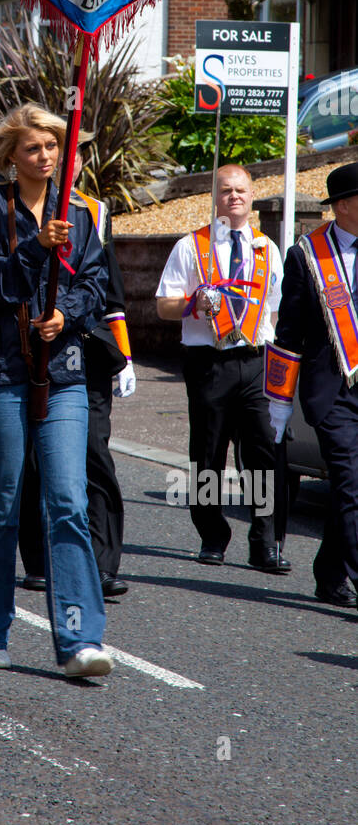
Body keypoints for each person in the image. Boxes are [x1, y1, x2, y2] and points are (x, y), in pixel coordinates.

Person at [0, 104, 113, 679]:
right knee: (3, 501)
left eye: (52, 147)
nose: (45, 156)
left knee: (67, 499)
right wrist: (35, 248)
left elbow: (94, 282)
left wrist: (64, 312)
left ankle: (80, 638)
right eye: (34, 148)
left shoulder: (81, 211)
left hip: (61, 371)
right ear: (12, 155)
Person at [18, 133, 136, 597]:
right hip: (32, 350)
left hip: (85, 349)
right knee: (33, 461)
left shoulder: (93, 211)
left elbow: (109, 288)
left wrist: (124, 355)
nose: (68, 160)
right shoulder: (16, 209)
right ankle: (38, 560)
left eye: (77, 153)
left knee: (94, 456)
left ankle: (103, 565)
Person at [156, 164, 288, 572]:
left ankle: (265, 542)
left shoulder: (267, 248)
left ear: (252, 195)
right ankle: (212, 535)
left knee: (264, 452)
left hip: (254, 361)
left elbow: (276, 311)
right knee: (209, 453)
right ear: (214, 197)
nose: (234, 196)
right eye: (226, 190)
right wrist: (195, 301)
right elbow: (164, 306)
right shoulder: (190, 246)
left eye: (241, 190)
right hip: (208, 362)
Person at [266, 161, 358, 606]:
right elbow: (290, 332)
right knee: (350, 481)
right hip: (331, 391)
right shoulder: (307, 253)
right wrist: (279, 402)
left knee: (352, 490)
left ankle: (329, 573)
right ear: (342, 206)